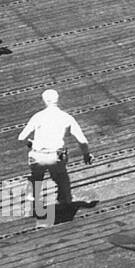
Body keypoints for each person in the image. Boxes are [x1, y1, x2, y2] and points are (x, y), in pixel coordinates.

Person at [18, 89, 93, 223]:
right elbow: (82, 140)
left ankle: (32, 197)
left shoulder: (38, 116)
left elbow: (21, 137)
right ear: (58, 100)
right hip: (55, 156)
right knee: (62, 177)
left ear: (44, 101)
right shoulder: (66, 117)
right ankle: (65, 201)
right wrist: (86, 154)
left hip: (37, 155)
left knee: (36, 176)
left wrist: (30, 143)